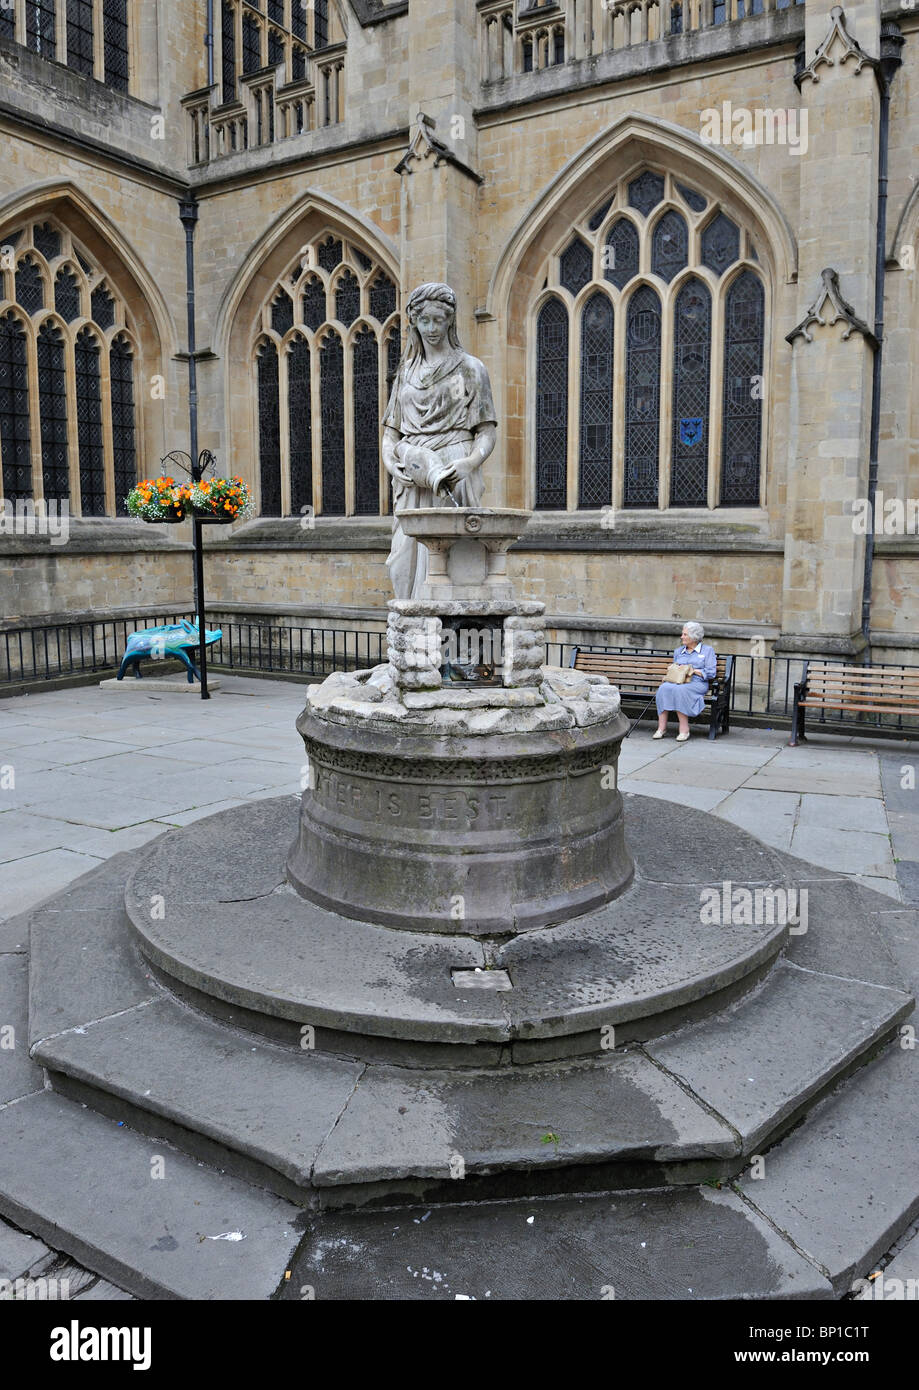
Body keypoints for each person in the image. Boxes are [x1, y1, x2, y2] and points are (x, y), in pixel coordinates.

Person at [381, 282, 497, 599]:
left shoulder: (471, 369)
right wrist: (392, 464)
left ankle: (455, 639)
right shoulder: (405, 373)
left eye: (439, 320)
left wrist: (469, 463)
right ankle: (412, 630)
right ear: (414, 323)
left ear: (450, 321)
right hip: (412, 473)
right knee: (403, 560)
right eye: (425, 321)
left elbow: (486, 431)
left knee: (457, 560)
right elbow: (390, 434)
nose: (432, 329)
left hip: (454, 469)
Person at [654, 621, 717, 741]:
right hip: (679, 681)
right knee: (663, 688)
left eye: (685, 634)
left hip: (697, 683)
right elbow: (676, 669)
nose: (681, 637)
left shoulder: (707, 651)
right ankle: (661, 728)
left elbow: (711, 673)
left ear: (694, 637)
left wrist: (693, 671)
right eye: (682, 634)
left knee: (680, 690)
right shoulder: (679, 651)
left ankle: (684, 729)